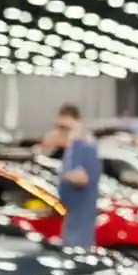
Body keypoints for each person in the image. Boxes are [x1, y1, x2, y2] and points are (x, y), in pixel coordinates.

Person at [41, 103, 100, 247]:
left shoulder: (84, 148)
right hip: (71, 222)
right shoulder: (70, 151)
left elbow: (82, 178)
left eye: (64, 128)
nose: (59, 133)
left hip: (80, 225)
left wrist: (61, 175)